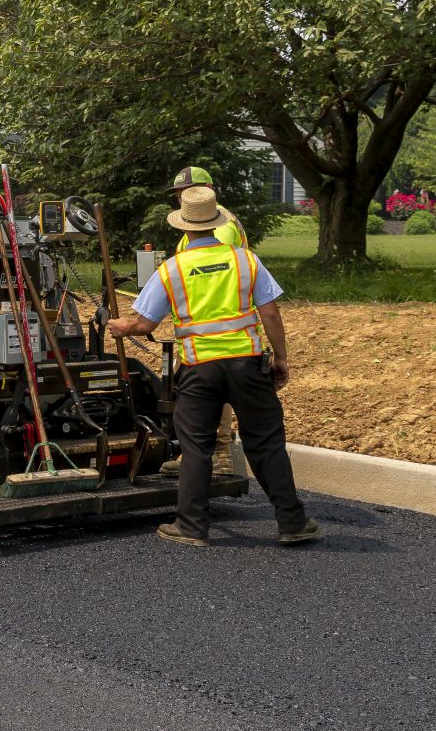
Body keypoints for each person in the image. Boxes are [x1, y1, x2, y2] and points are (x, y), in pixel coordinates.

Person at [108, 186, 321, 548]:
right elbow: (269, 311)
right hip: (247, 365)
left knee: (196, 447)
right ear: (217, 222)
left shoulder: (172, 269)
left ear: (184, 227)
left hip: (199, 368)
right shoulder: (245, 259)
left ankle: (191, 527)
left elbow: (143, 325)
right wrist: (281, 358)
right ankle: (292, 523)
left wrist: (118, 326)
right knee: (266, 443)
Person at [163, 164, 246, 472]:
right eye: (180, 194)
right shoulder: (198, 228)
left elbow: (213, 267)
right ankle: (202, 453)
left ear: (208, 193)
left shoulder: (219, 225)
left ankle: (216, 455)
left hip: (218, 325)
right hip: (204, 324)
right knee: (195, 391)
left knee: (207, 392)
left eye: (189, 192)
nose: (183, 198)